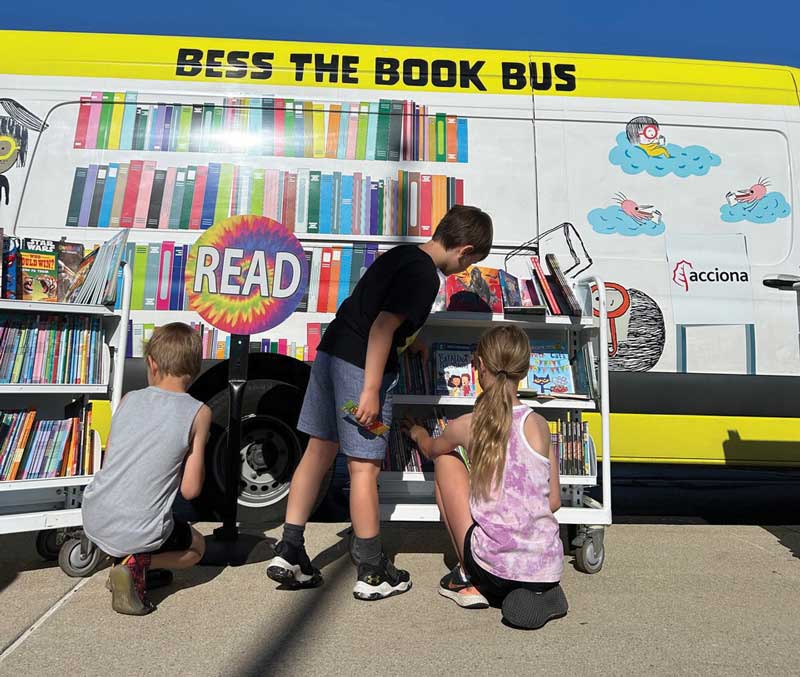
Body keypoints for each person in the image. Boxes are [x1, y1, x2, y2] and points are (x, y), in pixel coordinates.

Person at [266, 205, 493, 601]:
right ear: (465, 249)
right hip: (360, 372)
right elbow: (384, 325)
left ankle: (290, 548)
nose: (464, 269)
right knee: (363, 470)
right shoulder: (427, 278)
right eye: (470, 262)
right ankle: (372, 569)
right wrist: (370, 390)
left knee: (317, 452)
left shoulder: (403, 255)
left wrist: (411, 339)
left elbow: (378, 310)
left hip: (331, 356)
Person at [403, 325, 568, 629]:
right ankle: (540, 594)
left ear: (479, 367)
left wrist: (417, 433)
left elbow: (431, 450)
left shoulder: (467, 424)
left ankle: (469, 575)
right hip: (545, 569)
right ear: (525, 369)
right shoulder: (540, 425)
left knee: (445, 461)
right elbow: (554, 501)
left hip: (493, 570)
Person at [82, 323, 212, 616]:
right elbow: (191, 490)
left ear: (152, 363)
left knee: (140, 513)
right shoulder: (199, 413)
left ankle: (126, 560)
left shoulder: (129, 400)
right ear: (196, 368)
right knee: (197, 548)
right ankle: (137, 564)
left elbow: (113, 461)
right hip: (140, 529)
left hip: (94, 514)